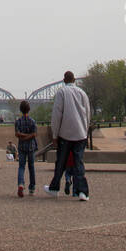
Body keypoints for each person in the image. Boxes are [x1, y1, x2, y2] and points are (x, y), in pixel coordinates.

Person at [43, 71, 91, 201]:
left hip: (65, 134)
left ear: (64, 80)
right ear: (74, 80)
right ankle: (83, 192)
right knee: (79, 163)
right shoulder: (82, 93)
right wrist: (85, 130)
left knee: (61, 163)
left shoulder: (61, 92)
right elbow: (87, 114)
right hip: (80, 134)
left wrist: (55, 134)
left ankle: (54, 188)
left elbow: (57, 115)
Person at [14, 101, 37, 197]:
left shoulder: (18, 121)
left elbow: (17, 134)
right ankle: (31, 188)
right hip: (31, 147)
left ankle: (20, 184)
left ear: (20, 110)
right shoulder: (32, 121)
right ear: (29, 109)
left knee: (21, 166)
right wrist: (28, 136)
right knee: (31, 167)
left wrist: (23, 137)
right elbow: (34, 134)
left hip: (21, 147)